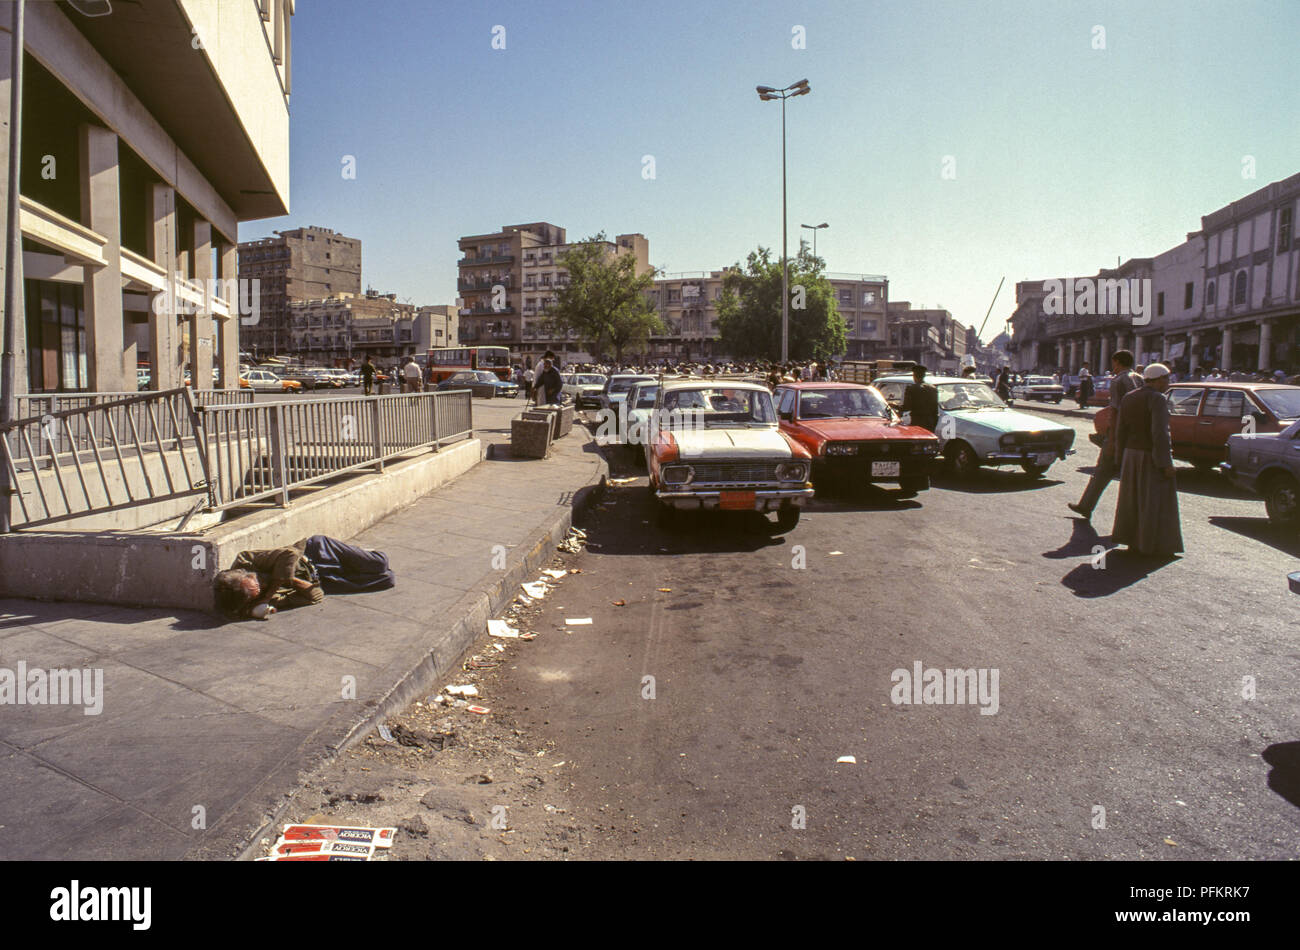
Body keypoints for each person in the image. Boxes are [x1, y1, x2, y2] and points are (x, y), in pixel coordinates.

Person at [213, 536, 395, 620]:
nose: (261, 584)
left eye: (256, 581)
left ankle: (359, 554)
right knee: (387, 580)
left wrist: (270, 591)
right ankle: (356, 559)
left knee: (380, 564)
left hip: (317, 552)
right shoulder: (262, 601)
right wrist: (288, 582)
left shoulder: (248, 561)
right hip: (324, 579)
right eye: (257, 591)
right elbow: (317, 595)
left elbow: (290, 554)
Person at [1111, 364, 1183, 557]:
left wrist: (1120, 456)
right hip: (1149, 455)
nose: (1168, 383)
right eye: (1166, 379)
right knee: (1153, 500)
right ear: (1158, 380)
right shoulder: (1157, 399)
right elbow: (1160, 434)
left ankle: (1132, 541)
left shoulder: (1130, 397)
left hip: (1130, 454)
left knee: (1132, 499)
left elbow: (1120, 430)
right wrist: (1165, 463)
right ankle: (1151, 545)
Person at [1069, 350, 1141, 520]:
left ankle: (1086, 505)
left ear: (1117, 362)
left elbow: (1115, 411)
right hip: (1134, 434)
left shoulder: (1118, 380)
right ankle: (1136, 514)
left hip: (1119, 433)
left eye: (1113, 363)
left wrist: (1113, 440)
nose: (1113, 367)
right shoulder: (1138, 378)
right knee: (1131, 476)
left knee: (1102, 471)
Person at [900, 364, 940, 432]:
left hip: (917, 422)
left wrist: (894, 405)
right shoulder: (933, 388)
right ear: (924, 376)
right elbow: (935, 409)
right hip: (930, 423)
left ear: (914, 376)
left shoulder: (911, 389)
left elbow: (907, 407)